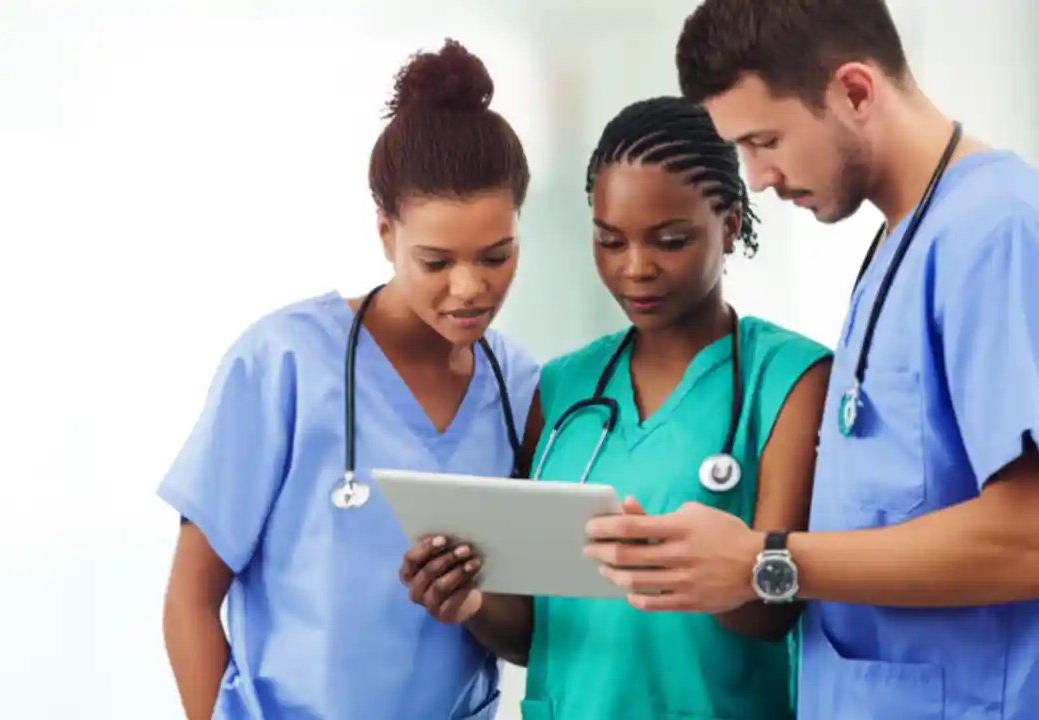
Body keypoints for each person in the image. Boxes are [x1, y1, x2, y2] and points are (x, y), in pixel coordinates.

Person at [584, 1, 1039, 718]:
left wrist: (767, 560)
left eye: (765, 140)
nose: (756, 177)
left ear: (854, 91)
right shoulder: (901, 243)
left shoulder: (994, 231)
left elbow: (1029, 537)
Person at [399, 95, 832, 719]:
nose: (635, 269)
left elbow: (772, 611)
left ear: (731, 225)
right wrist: (470, 599)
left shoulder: (788, 378)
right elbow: (538, 631)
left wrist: (682, 564)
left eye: (671, 241)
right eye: (610, 241)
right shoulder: (561, 389)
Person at [156, 39, 541, 720]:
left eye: (496, 256)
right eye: (435, 260)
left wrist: (472, 604)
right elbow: (190, 597)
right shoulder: (285, 362)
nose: (469, 288)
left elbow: (529, 635)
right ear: (386, 234)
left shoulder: (519, 389)